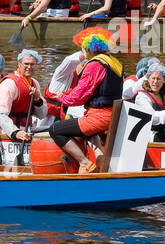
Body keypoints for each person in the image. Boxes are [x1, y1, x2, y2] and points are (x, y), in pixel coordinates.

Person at [48, 28, 122, 172]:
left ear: (89, 49)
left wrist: (61, 96)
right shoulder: (115, 63)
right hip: (113, 115)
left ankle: (84, 163)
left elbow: (78, 98)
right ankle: (100, 161)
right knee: (88, 131)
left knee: (55, 130)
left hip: (99, 117)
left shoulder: (94, 64)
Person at [0, 49, 46, 142]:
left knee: (54, 129)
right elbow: (0, 115)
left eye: (32, 64)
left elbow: (42, 115)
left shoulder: (35, 83)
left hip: (27, 130)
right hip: (7, 132)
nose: (29, 67)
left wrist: (37, 101)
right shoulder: (9, 84)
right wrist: (15, 132)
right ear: (19, 64)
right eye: (26, 64)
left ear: (36, 66)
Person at [132, 60, 165, 143]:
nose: (155, 82)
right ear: (148, 79)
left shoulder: (164, 95)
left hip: (160, 131)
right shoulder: (141, 97)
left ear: (164, 80)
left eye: (158, 79)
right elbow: (152, 117)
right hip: (146, 136)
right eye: (153, 78)